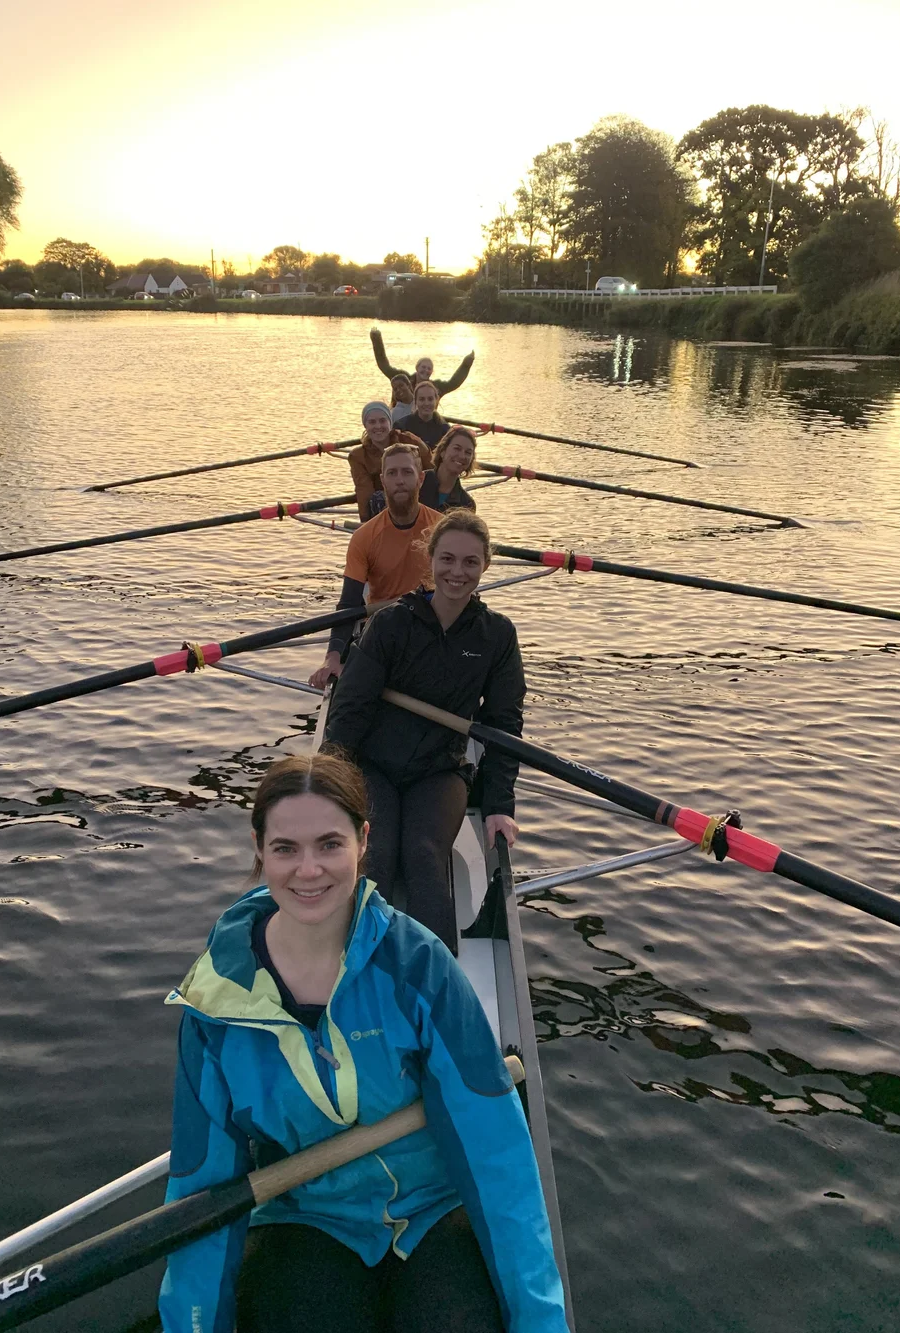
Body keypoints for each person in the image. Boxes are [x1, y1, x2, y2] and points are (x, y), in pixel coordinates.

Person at [158, 751, 568, 1333]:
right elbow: (201, 1186)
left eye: (330, 844)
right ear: (258, 848)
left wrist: (540, 1325)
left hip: (433, 1211)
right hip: (307, 1216)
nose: (308, 871)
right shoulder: (213, 1006)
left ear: (363, 841)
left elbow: (496, 1156)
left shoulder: (420, 968)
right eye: (285, 849)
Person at [323, 511, 524, 954]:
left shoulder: (497, 636)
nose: (458, 572)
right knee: (375, 861)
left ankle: (440, 986)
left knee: (425, 857)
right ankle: (356, 972)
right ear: (429, 560)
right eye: (448, 559)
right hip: (373, 765)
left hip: (441, 770)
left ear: (486, 565)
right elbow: (351, 707)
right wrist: (327, 779)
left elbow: (505, 725)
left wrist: (498, 804)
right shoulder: (391, 624)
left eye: (470, 562)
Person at [309, 442, 439, 690]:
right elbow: (349, 604)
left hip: (430, 628)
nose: (399, 480)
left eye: (407, 472)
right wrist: (333, 657)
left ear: (420, 479)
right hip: (382, 631)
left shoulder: (441, 530)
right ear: (382, 480)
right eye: (392, 473)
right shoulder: (364, 537)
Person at [346, 401, 431, 522]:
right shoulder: (358, 456)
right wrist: (365, 523)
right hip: (386, 503)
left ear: (390, 423)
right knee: (377, 498)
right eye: (372, 422)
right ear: (365, 426)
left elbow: (431, 464)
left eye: (382, 421)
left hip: (417, 495)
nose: (378, 426)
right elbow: (364, 490)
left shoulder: (408, 440)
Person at [370, 327, 475, 398]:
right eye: (423, 367)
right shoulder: (402, 378)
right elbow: (384, 366)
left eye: (429, 369)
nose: (426, 370)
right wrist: (376, 339)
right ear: (417, 368)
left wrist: (467, 364)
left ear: (431, 372)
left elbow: (454, 383)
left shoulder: (437, 387)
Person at [419, 426, 477, 512]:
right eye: (457, 448)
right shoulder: (418, 482)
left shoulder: (467, 504)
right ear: (443, 451)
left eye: (468, 452)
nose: (462, 456)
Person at [394, 380, 451, 450]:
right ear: (415, 401)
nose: (426, 403)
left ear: (436, 400)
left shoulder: (445, 429)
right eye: (422, 399)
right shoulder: (401, 426)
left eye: (430, 399)